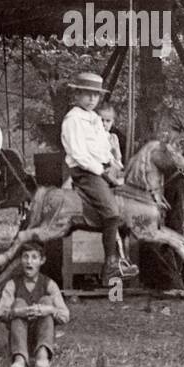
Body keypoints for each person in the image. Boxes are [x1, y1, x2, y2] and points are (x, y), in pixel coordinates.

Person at [60, 71, 137, 285]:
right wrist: (102, 172)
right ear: (76, 95)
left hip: (103, 167)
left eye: (96, 95)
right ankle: (110, 266)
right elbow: (79, 154)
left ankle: (125, 260)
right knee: (112, 214)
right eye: (87, 94)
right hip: (86, 172)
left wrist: (114, 165)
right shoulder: (73, 120)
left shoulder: (94, 118)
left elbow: (104, 147)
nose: (92, 99)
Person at [0, 242, 70, 367]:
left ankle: (42, 356)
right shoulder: (12, 284)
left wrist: (49, 310)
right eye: (25, 257)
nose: (29, 262)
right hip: (18, 337)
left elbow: (65, 316)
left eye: (34, 257)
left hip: (43, 337)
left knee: (46, 301)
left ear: (42, 261)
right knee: (18, 302)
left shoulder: (49, 284)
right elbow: (1, 313)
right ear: (21, 260)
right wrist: (18, 312)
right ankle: (19, 358)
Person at [97, 102, 123, 167]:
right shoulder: (92, 135)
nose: (104, 124)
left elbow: (118, 157)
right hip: (97, 165)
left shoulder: (112, 137)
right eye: (101, 120)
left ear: (113, 122)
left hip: (110, 166)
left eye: (108, 121)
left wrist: (115, 150)